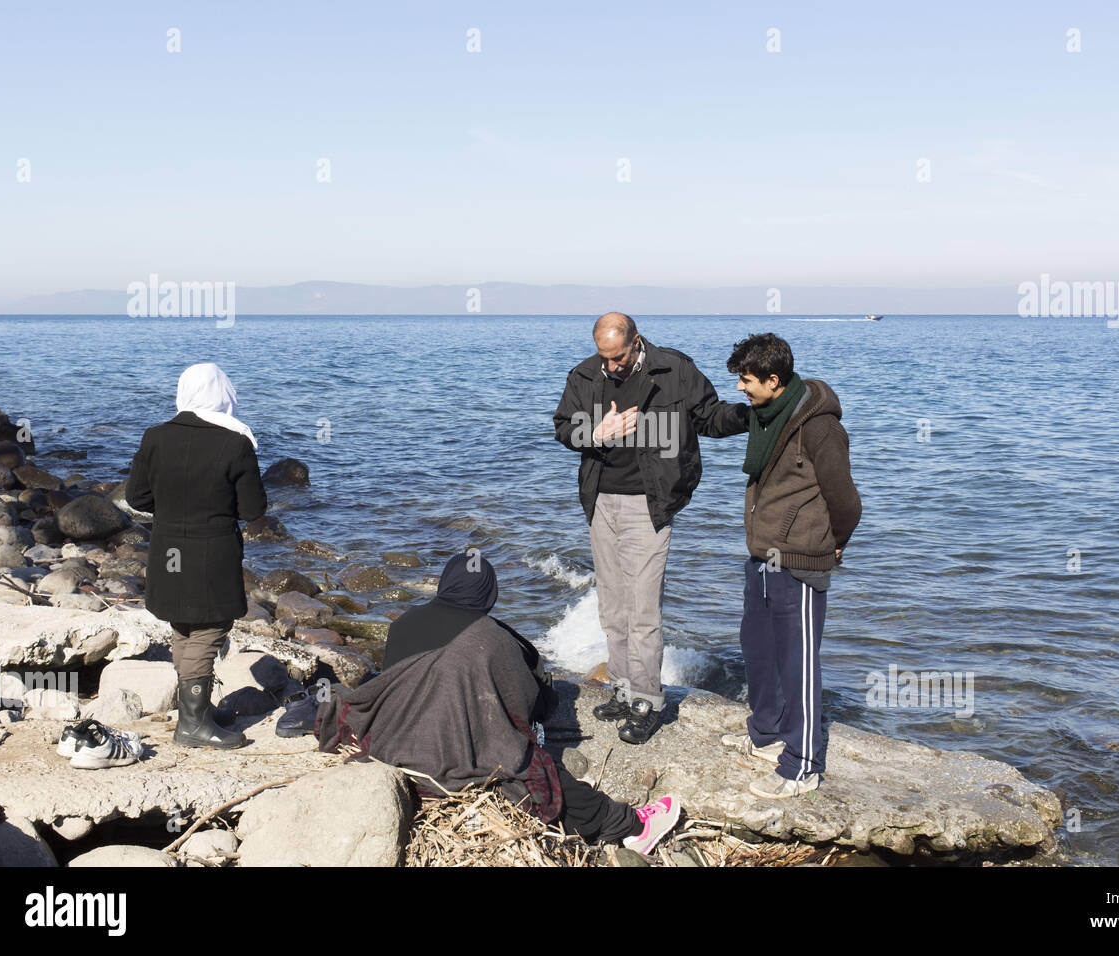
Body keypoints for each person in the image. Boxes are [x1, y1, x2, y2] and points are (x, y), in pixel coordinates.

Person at [319, 552, 681, 854]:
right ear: (488, 593)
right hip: (446, 760)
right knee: (539, 772)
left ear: (446, 584)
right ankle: (631, 827)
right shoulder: (495, 639)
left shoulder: (403, 623)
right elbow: (528, 707)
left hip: (388, 745)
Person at [553, 313, 749, 745]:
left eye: (619, 357)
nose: (612, 366)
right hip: (600, 501)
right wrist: (595, 432)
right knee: (613, 606)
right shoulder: (585, 375)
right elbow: (563, 428)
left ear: (635, 341)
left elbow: (710, 417)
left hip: (650, 505)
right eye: (605, 358)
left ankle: (648, 701)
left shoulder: (673, 369)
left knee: (642, 611)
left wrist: (756, 416)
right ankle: (622, 689)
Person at [721, 334, 861, 799]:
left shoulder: (819, 428)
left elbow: (846, 501)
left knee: (797, 662)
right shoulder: (765, 417)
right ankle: (766, 735)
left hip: (800, 561)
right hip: (761, 557)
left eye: (746, 380)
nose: (740, 388)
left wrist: (833, 544)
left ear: (773, 380)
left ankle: (803, 765)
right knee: (757, 651)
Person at [126, 362, 267, 750]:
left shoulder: (155, 436)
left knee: (183, 623)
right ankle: (191, 725)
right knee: (209, 628)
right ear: (223, 393)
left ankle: (199, 711)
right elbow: (252, 508)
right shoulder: (235, 442)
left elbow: (136, 498)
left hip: (168, 547)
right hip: (213, 550)